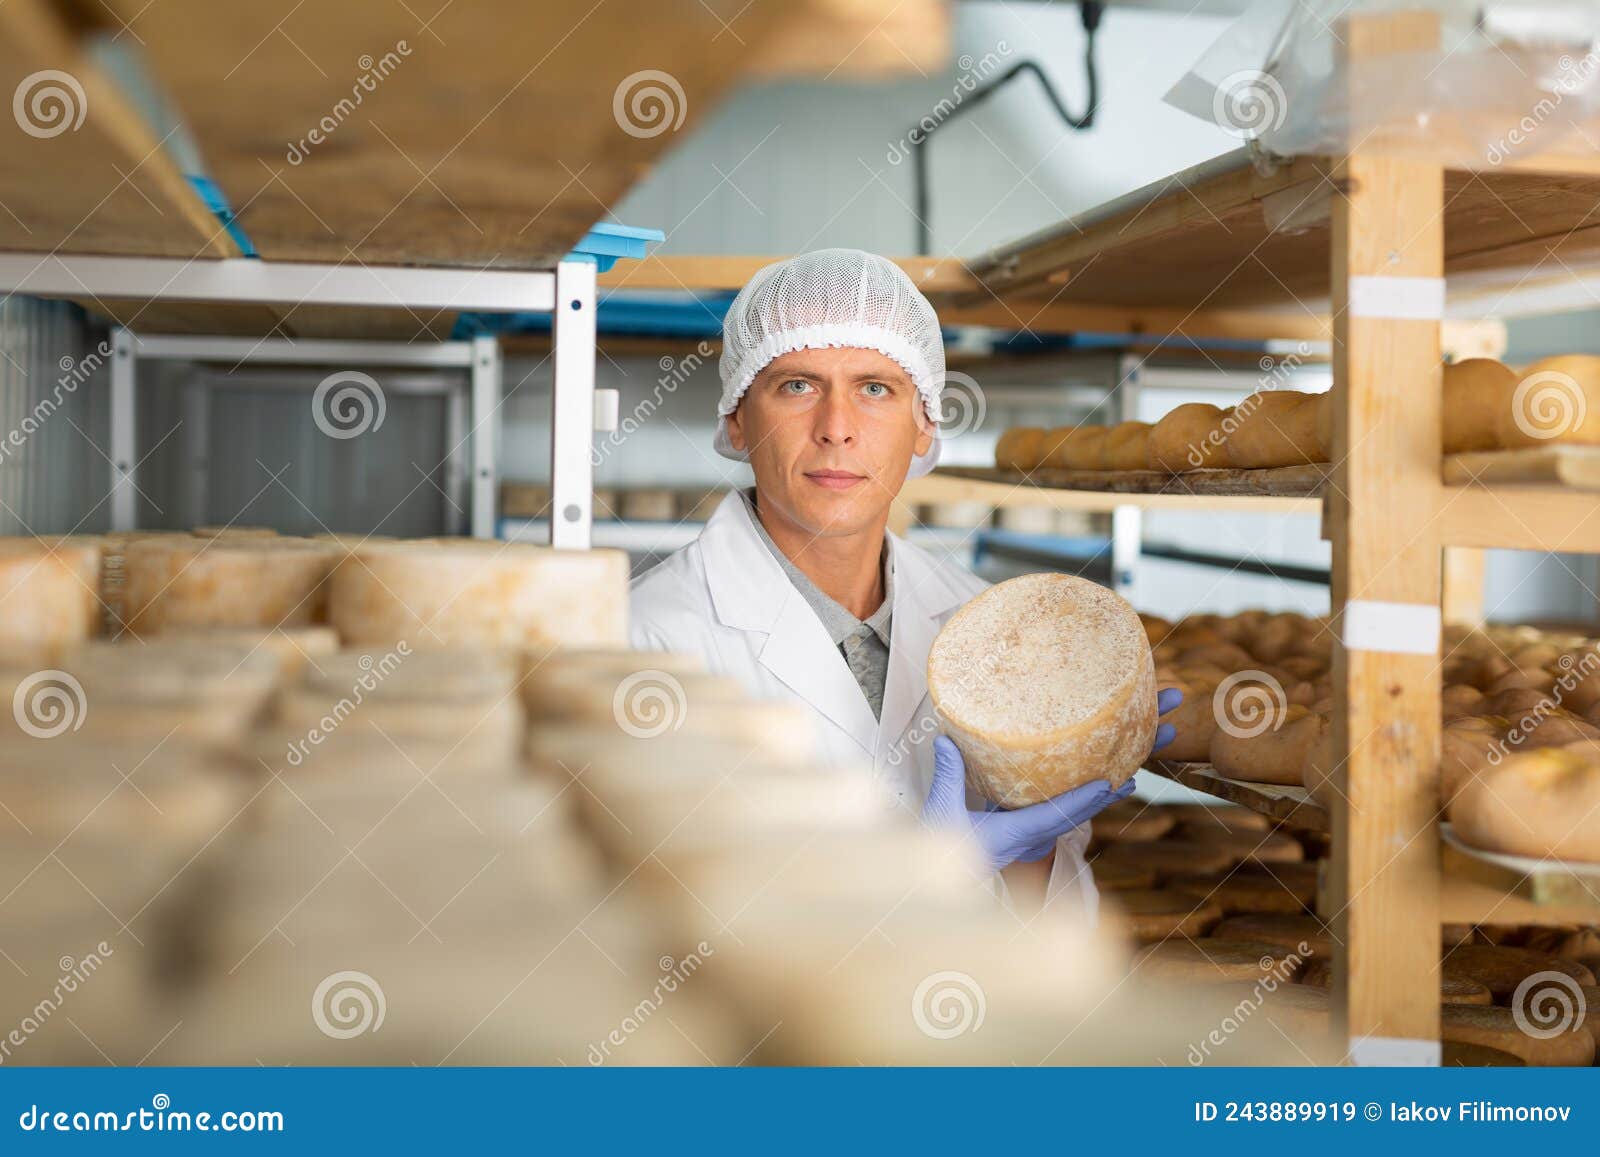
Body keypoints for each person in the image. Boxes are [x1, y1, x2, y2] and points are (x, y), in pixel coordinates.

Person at [630, 249, 1178, 911]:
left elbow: (1059, 943)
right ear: (737, 418)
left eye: (875, 388)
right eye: (797, 385)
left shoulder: (984, 626)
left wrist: (1032, 857)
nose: (836, 429)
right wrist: (925, 874)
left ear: (925, 426)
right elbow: (647, 928)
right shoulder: (647, 641)